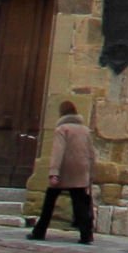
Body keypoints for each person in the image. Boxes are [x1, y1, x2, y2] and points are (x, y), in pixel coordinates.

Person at [26, 100, 95, 244]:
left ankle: (39, 231)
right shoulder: (85, 130)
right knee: (80, 202)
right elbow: (92, 153)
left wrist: (54, 173)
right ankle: (86, 235)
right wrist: (90, 173)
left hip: (64, 170)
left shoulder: (62, 129)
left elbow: (58, 151)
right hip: (81, 169)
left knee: (50, 201)